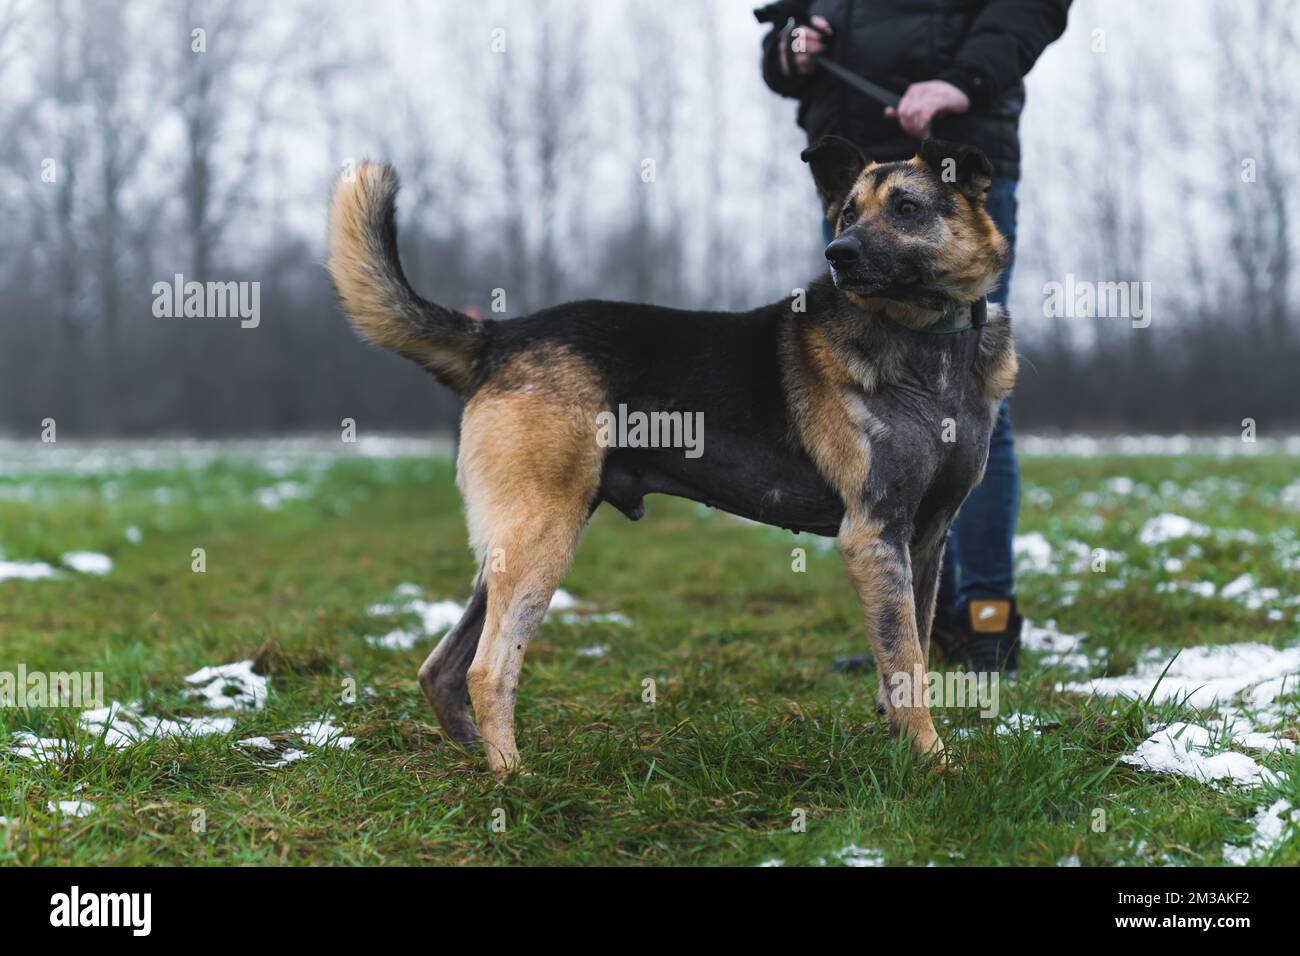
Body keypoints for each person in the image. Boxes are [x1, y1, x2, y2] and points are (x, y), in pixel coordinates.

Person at [761, 0, 1072, 672]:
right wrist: (793, 51)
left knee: (974, 403)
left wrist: (964, 80)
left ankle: (988, 626)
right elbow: (785, 40)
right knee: (881, 413)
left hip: (949, 170)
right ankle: (916, 636)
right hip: (856, 176)